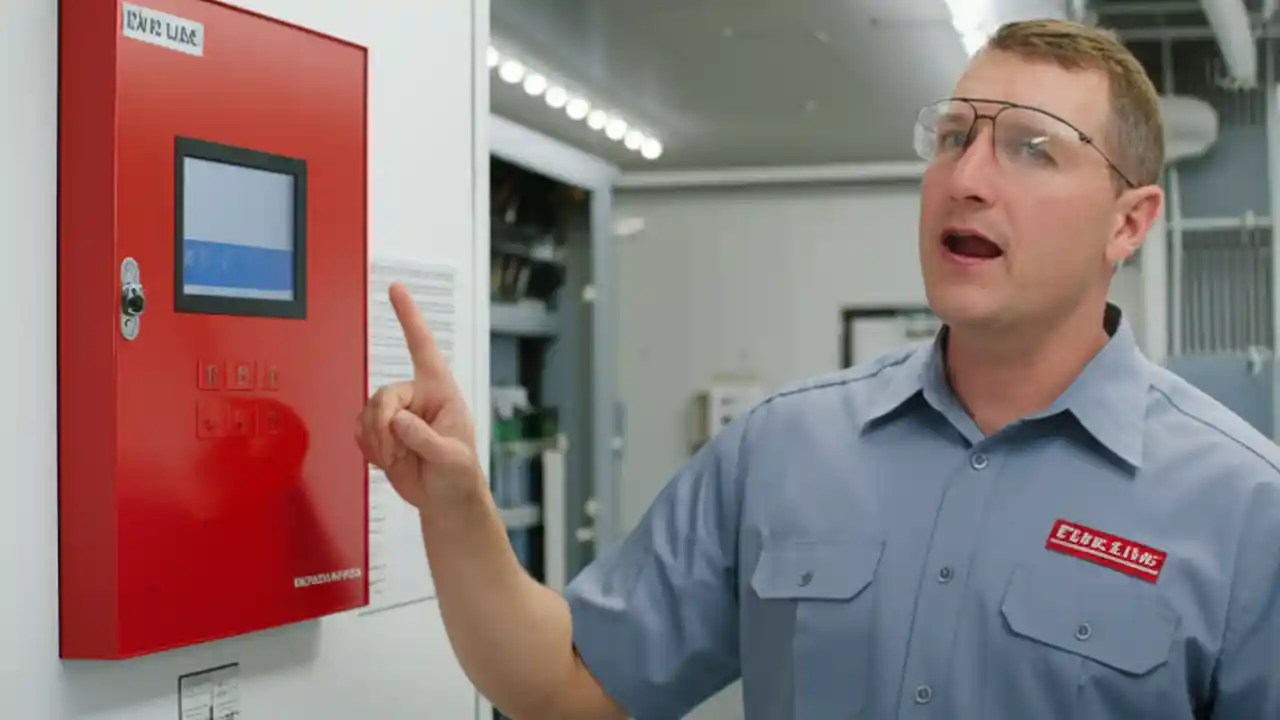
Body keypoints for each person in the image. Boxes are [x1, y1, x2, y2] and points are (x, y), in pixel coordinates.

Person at [356, 18, 1280, 720]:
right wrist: (457, 506)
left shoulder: (1242, 511)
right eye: (954, 135)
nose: (966, 176)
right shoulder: (785, 449)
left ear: (1130, 221)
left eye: (1031, 148)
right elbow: (567, 684)